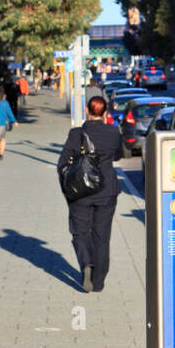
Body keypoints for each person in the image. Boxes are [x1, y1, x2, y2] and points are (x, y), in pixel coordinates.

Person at [57, 93, 123, 292]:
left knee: (80, 231)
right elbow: (119, 155)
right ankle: (99, 282)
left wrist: (66, 190)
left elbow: (61, 164)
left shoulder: (76, 134)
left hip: (80, 191)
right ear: (105, 113)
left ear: (87, 111)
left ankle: (86, 263)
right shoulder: (113, 132)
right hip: (106, 190)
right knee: (102, 237)